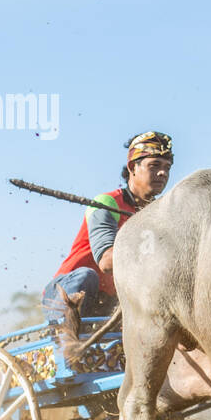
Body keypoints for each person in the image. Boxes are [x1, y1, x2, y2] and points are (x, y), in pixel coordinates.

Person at [41, 131, 174, 325]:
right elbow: (107, 262)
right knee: (88, 276)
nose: (162, 173)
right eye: (154, 165)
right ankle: (67, 342)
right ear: (132, 167)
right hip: (68, 292)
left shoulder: (160, 214)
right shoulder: (108, 202)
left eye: (167, 167)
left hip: (108, 301)